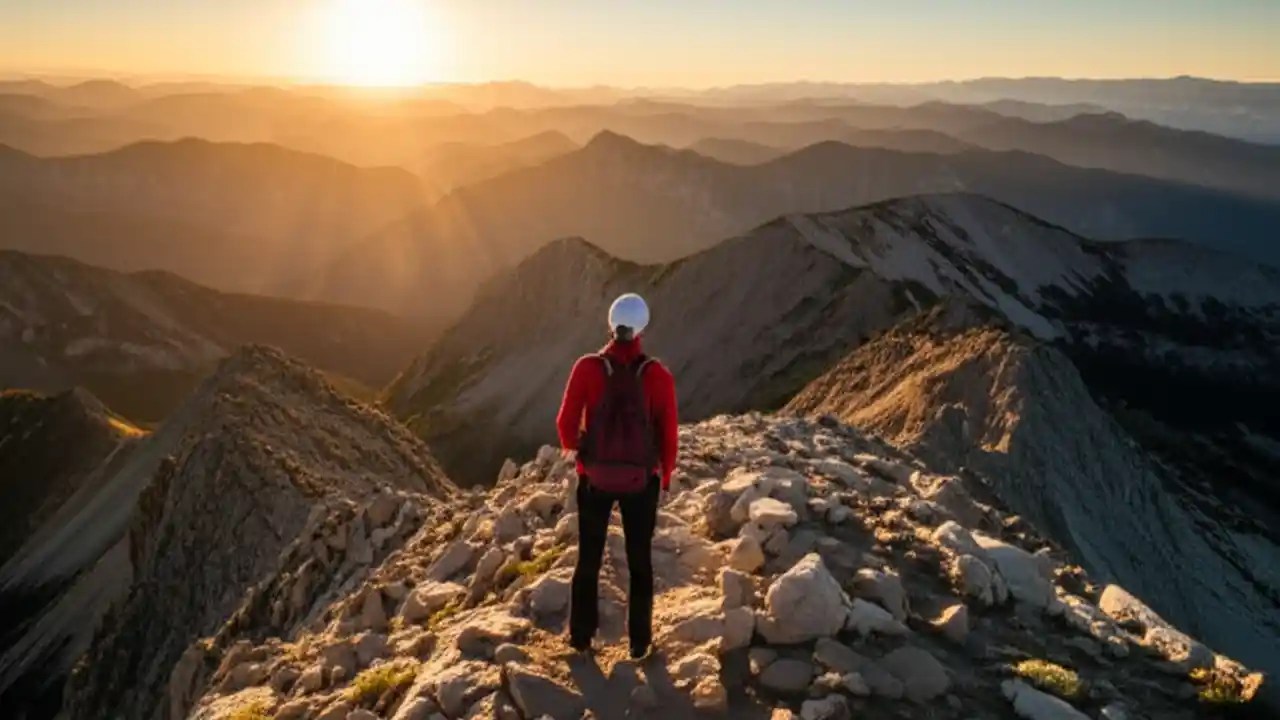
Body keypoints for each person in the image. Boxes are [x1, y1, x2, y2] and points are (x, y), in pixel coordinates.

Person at [556, 293, 679, 658]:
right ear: (642, 327)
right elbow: (668, 435)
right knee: (639, 560)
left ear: (610, 324)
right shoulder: (657, 375)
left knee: (589, 558)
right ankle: (639, 643)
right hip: (641, 483)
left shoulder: (587, 367)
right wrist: (664, 475)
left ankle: (581, 636)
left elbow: (564, 424)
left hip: (594, 479)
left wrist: (582, 454)